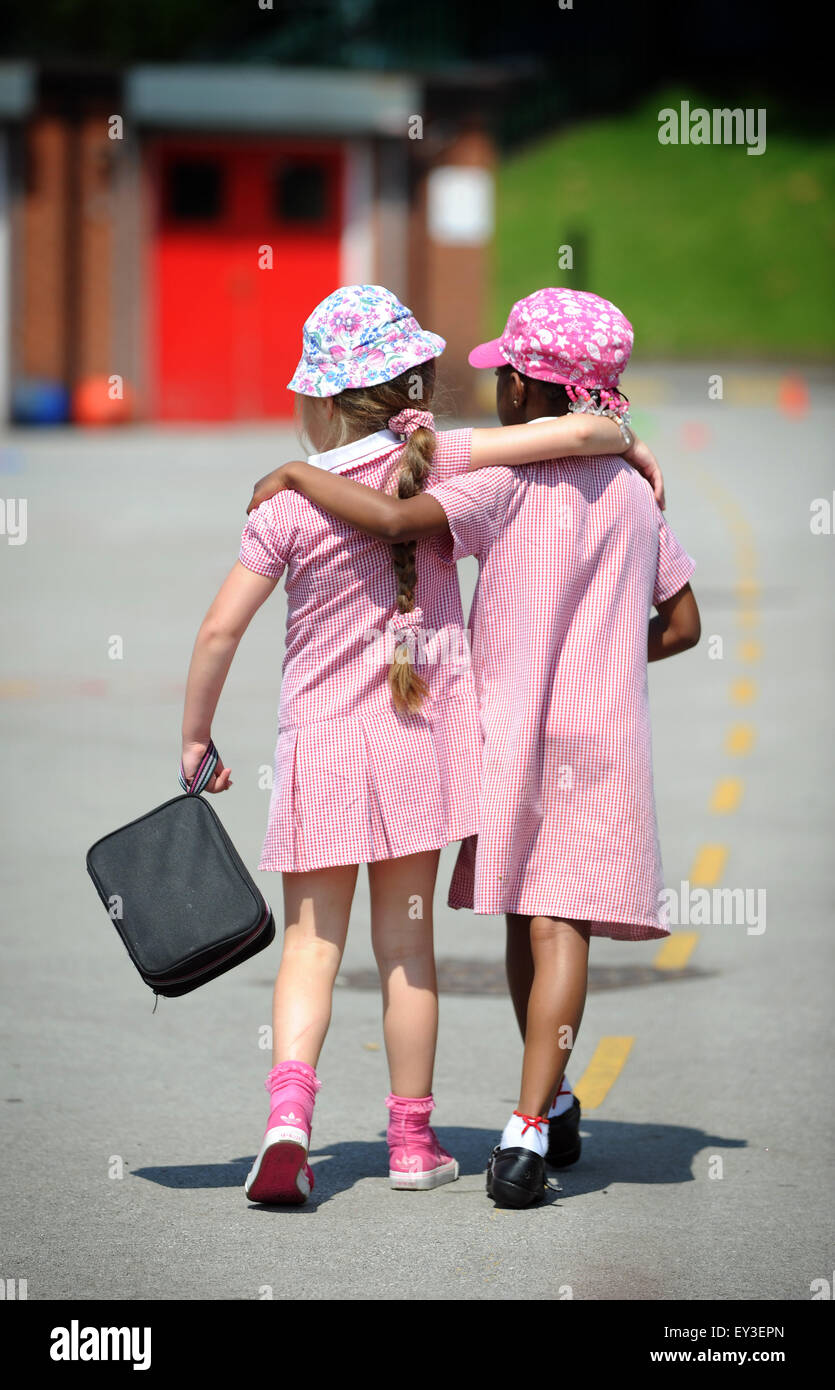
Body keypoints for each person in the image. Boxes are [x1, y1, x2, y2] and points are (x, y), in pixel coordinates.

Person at [180, 284, 663, 1206]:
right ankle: (412, 1146)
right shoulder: (443, 462)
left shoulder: (287, 504)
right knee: (409, 953)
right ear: (414, 384)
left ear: (323, 399)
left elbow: (217, 634)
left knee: (311, 946)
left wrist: (196, 735)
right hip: (422, 745)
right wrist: (629, 440)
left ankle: (288, 1123)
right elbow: (576, 438)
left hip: (318, 746)